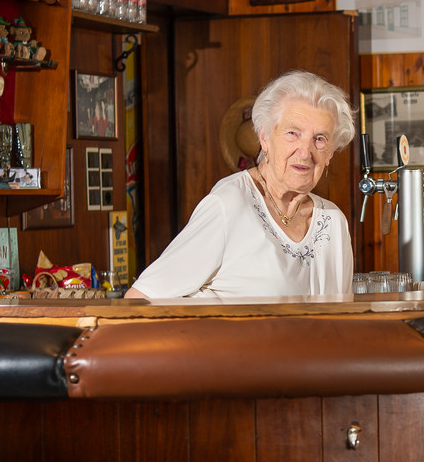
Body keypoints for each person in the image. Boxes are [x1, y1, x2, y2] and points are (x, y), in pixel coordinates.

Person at [126, 70, 355, 299]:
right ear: (264, 137)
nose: (305, 152)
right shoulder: (229, 205)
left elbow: (345, 319)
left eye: (320, 139)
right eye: (293, 133)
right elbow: (140, 298)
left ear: (331, 153)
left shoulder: (333, 221)